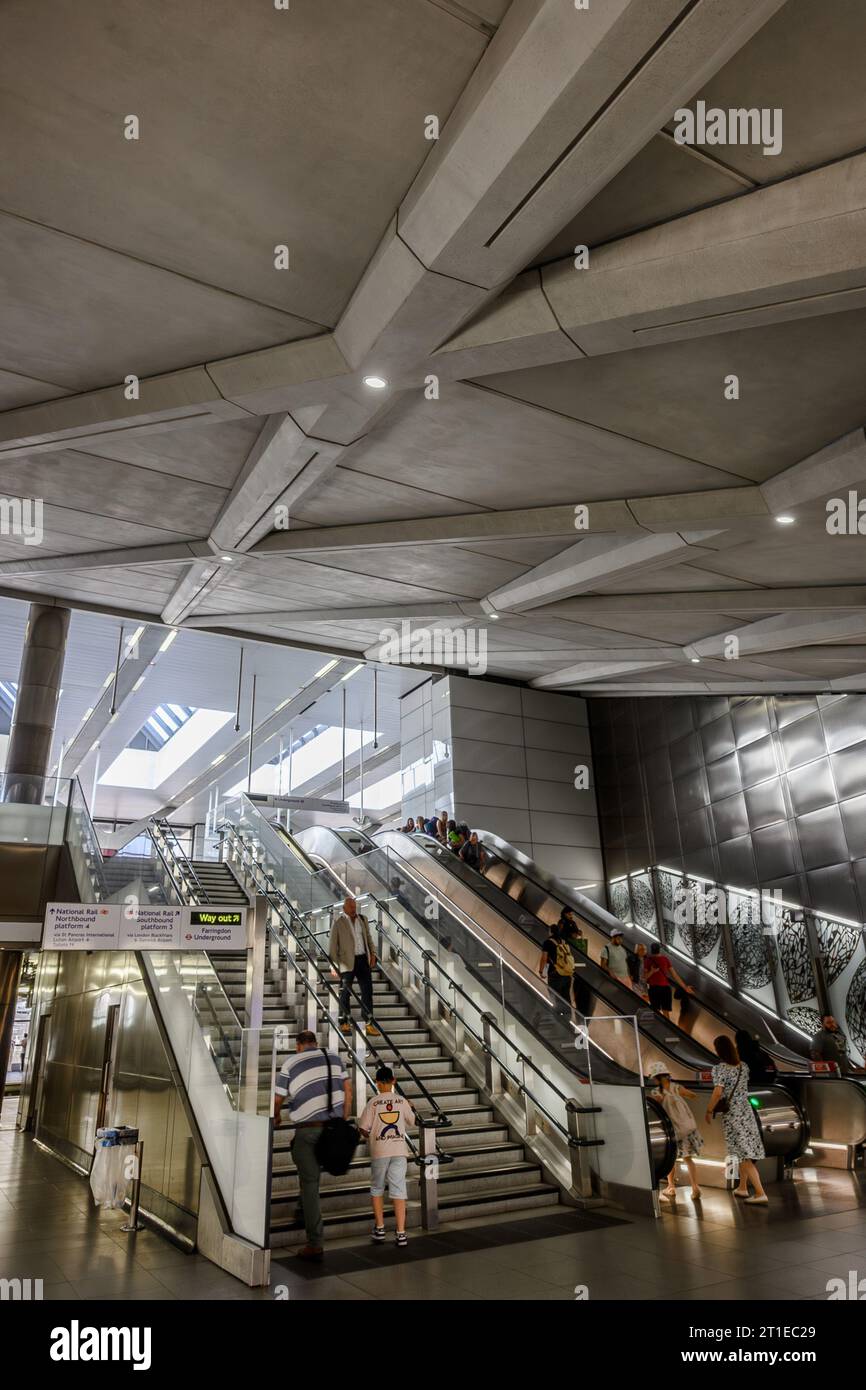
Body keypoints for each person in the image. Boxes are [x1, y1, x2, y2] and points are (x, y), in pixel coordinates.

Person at [274, 1029, 353, 1261]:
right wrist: (344, 1118)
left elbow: (278, 1098)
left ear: (298, 1045)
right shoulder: (334, 1058)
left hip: (307, 1131)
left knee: (309, 1183)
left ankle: (315, 1243)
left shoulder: (290, 1063)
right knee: (310, 1177)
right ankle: (302, 1209)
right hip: (331, 1129)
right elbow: (348, 1090)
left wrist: (276, 1116)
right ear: (315, 1043)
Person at [706, 1034, 768, 1204]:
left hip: (733, 1114)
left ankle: (761, 1193)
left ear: (718, 1051)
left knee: (744, 1156)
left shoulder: (719, 1069)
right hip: (746, 1112)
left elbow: (718, 1092)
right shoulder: (744, 1066)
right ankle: (742, 1188)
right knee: (742, 1153)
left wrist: (709, 1110)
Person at [359, 1064, 416, 1247]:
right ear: (393, 1081)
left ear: (376, 1083)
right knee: (399, 1190)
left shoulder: (373, 1102)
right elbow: (411, 1121)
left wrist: (371, 1135)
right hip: (399, 1151)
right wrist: (410, 1106)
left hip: (380, 1151)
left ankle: (381, 1228)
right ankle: (401, 1233)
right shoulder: (401, 1100)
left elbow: (363, 1128)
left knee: (377, 1188)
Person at [646, 1060, 702, 1202]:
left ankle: (671, 1187)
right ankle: (695, 1187)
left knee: (669, 1159)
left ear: (657, 1077)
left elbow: (656, 1107)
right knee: (688, 1158)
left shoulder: (657, 1092)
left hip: (672, 1130)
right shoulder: (676, 1087)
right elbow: (693, 1095)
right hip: (687, 1128)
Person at [329, 896, 380, 1037]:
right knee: (345, 993)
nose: (353, 909)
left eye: (354, 906)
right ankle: (344, 1022)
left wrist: (373, 954)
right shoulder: (338, 923)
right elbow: (333, 946)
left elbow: (368, 938)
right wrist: (333, 965)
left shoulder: (362, 919)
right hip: (346, 962)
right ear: (344, 908)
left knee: (367, 992)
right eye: (350, 907)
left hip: (363, 959)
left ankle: (369, 1023)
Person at [644, 941, 693, 1020]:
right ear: (659, 950)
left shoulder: (648, 960)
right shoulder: (664, 959)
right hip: (664, 989)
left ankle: (658, 1028)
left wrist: (652, 971)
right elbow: (675, 975)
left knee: (656, 1011)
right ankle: (667, 1028)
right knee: (665, 1011)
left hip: (654, 989)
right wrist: (685, 988)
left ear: (651, 950)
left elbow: (645, 977)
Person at [538, 921, 574, 1016]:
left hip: (555, 974)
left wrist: (542, 971)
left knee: (555, 997)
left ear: (550, 932)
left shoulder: (547, 942)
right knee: (566, 997)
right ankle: (568, 1016)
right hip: (567, 974)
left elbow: (544, 958)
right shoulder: (563, 941)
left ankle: (559, 1018)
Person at [561, 912, 591, 1016]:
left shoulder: (573, 924)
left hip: (577, 972)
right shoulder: (565, 945)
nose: (571, 915)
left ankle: (578, 1015)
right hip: (573, 972)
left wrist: (579, 933)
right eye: (569, 913)